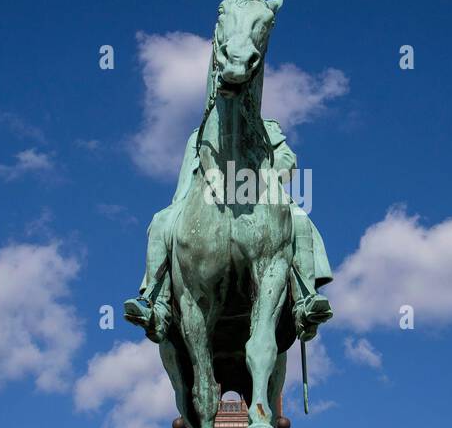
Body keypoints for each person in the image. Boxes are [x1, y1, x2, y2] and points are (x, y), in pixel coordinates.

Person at [124, 119, 332, 343]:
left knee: (299, 219)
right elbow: (185, 180)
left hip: (257, 195)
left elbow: (287, 159)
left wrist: (259, 175)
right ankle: (158, 304)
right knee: (159, 221)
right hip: (203, 199)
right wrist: (178, 207)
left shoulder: (263, 126)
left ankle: (304, 299)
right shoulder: (198, 134)